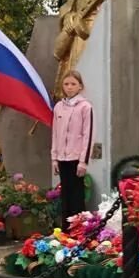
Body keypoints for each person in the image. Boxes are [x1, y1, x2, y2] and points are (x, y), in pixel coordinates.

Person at [51, 70, 94, 227]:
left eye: (73, 84)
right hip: (62, 158)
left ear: (80, 87)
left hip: (76, 159)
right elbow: (55, 133)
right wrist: (54, 157)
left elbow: (87, 135)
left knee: (77, 195)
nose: (69, 87)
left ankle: (79, 230)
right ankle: (65, 229)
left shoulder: (85, 107)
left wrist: (83, 161)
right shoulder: (58, 107)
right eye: (66, 84)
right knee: (65, 194)